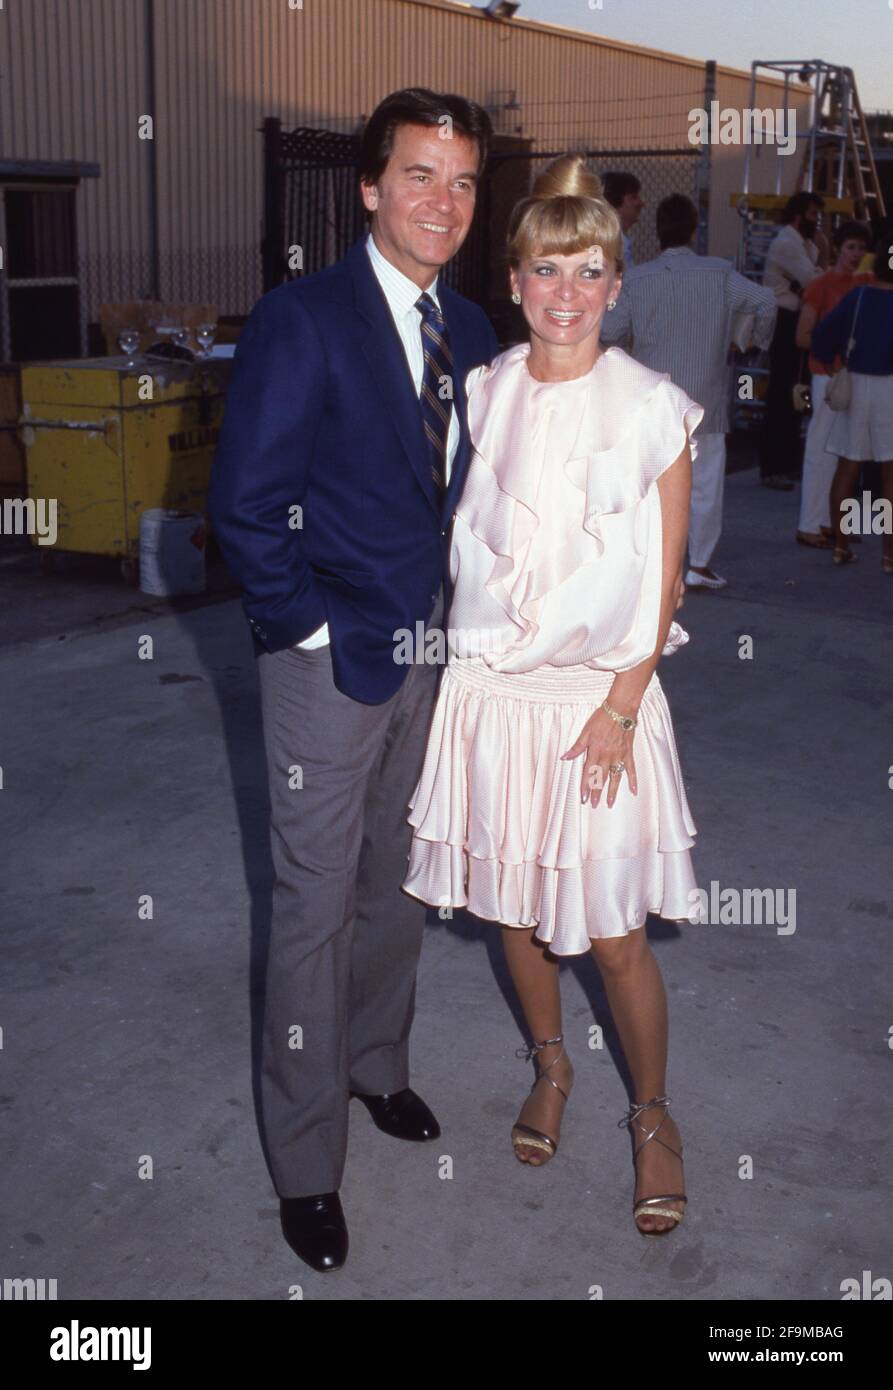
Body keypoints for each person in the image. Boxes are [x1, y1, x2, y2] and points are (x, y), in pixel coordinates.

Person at [207, 87, 498, 1273]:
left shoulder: (471, 330)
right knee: (312, 912)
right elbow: (242, 500)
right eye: (419, 175)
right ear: (371, 187)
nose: (443, 201)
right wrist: (306, 631)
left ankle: (377, 1068)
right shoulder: (303, 317)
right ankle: (303, 1159)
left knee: (401, 881)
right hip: (331, 665)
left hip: (435, 654)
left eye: (464, 181)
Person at [402, 155, 703, 1236]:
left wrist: (623, 703)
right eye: (543, 269)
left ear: (613, 286)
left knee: (613, 933)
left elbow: (663, 577)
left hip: (597, 705)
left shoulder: (653, 410)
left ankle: (653, 1116)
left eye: (586, 270)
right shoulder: (482, 392)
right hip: (490, 695)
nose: (563, 292)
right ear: (515, 280)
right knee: (514, 915)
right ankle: (548, 1068)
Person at [601, 192, 775, 590]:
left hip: (649, 400)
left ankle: (646, 559)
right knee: (705, 484)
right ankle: (698, 564)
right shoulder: (719, 274)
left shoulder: (638, 279)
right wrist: (751, 341)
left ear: (657, 231)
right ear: (695, 230)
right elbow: (765, 302)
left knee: (648, 481)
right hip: (705, 399)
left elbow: (609, 333)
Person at [810, 235, 893, 571]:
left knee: (847, 468)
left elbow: (821, 338)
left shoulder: (858, 297)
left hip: (856, 384)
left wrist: (832, 362)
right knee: (890, 476)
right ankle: (889, 555)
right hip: (890, 388)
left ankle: (841, 546)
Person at [794, 220, 873, 549]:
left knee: (842, 452)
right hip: (827, 375)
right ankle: (809, 523)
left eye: (860, 248)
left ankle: (827, 521)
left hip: (853, 376)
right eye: (850, 247)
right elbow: (802, 336)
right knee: (819, 450)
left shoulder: (868, 283)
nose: (855, 254)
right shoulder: (821, 285)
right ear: (839, 248)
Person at [759, 191, 827, 491]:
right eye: (813, 214)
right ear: (799, 216)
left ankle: (786, 462)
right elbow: (816, 281)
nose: (817, 221)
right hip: (785, 320)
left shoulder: (804, 243)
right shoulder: (787, 243)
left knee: (795, 394)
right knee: (781, 394)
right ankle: (774, 466)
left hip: (795, 320)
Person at [602, 170, 643, 269]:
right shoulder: (609, 245)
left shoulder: (618, 242)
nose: (641, 203)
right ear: (615, 202)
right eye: (634, 197)